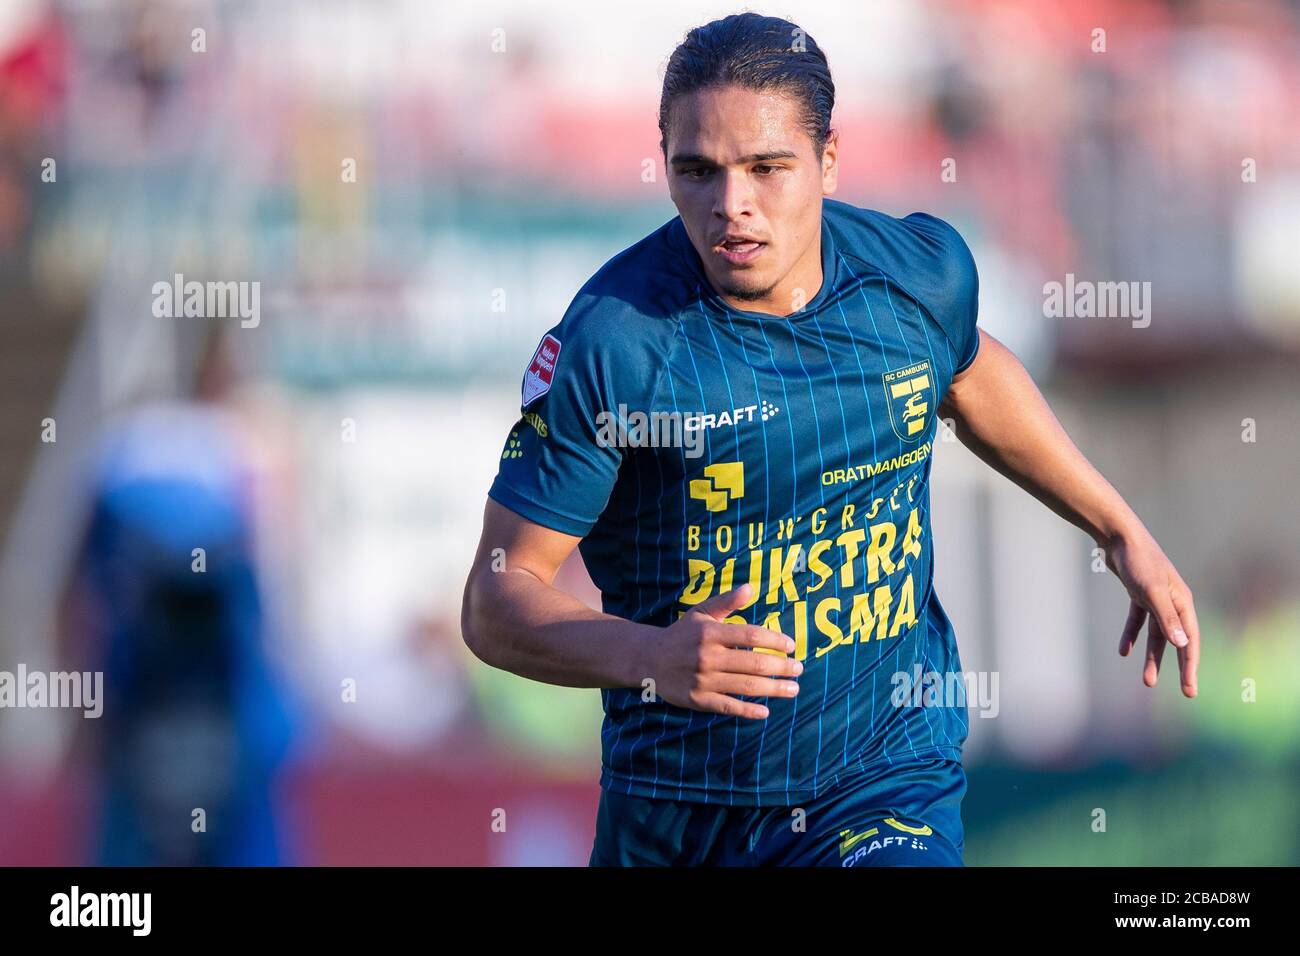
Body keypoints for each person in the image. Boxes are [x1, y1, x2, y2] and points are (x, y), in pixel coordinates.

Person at [460, 12, 1200, 867]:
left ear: (830, 161)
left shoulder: (916, 275)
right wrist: (656, 655)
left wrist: (1116, 527)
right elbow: (497, 601)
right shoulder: (616, 342)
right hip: (679, 814)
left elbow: (967, 371)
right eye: (696, 171)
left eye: (766, 168)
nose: (730, 204)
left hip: (881, 779)